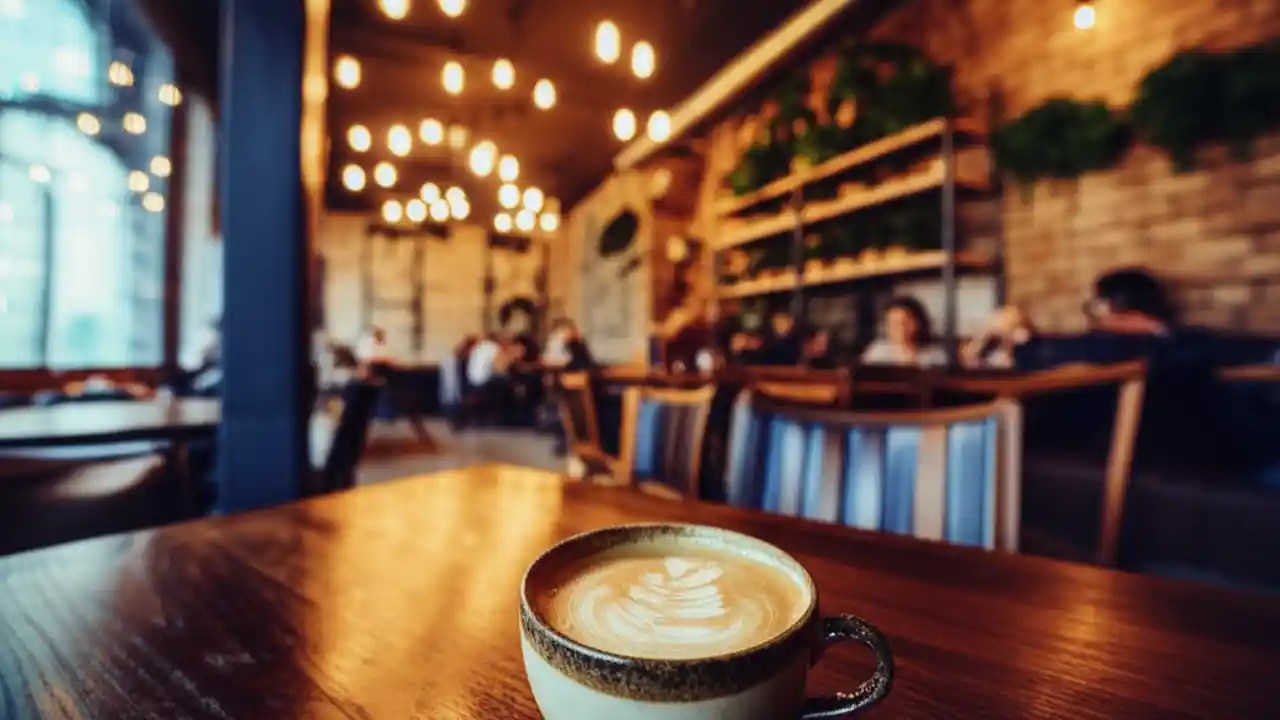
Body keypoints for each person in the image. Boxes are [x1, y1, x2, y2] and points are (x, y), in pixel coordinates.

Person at [861, 297, 947, 368]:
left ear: (918, 323)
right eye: (892, 322)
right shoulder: (876, 353)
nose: (899, 327)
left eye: (904, 322)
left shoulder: (935, 356)